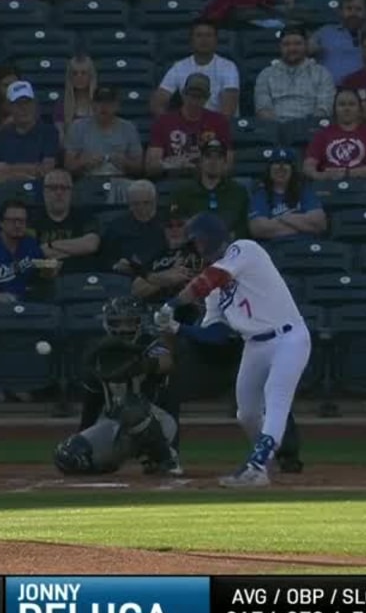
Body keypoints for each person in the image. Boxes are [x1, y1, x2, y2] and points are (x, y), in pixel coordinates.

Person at [156, 212, 312, 487]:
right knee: (247, 414)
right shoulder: (216, 293)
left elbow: (210, 278)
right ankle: (262, 459)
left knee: (275, 401)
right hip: (255, 345)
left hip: (289, 338)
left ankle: (256, 466)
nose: (197, 250)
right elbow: (216, 334)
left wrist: (172, 304)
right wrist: (177, 328)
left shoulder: (244, 249)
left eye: (198, 243)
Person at [54, 296, 183, 476]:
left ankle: (165, 459)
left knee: (131, 408)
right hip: (115, 423)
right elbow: (91, 405)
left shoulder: (151, 343)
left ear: (139, 322)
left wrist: (138, 365)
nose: (124, 328)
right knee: (68, 456)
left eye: (130, 322)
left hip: (158, 422)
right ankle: (113, 461)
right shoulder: (99, 351)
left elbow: (167, 362)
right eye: (118, 323)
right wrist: (84, 440)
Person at [0, 198, 55, 308]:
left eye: (21, 221)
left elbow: (46, 269)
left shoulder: (30, 245)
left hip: (25, 306)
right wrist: (1, 298)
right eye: (12, 221)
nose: (17, 225)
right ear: (1, 223)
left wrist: (51, 268)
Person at [152, 20, 241, 117]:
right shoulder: (179, 67)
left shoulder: (228, 67)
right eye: (199, 35)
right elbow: (159, 100)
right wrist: (169, 123)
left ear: (216, 40)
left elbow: (229, 107)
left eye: (209, 35)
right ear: (191, 41)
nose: (204, 40)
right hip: (188, 124)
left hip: (218, 124)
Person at [171, 138, 251, 239]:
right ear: (201, 161)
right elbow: (176, 225)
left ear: (225, 163)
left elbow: (243, 227)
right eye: (208, 157)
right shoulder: (183, 193)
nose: (213, 162)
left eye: (218, 157)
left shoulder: (238, 192)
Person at [254, 25, 336, 123]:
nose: (292, 48)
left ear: (305, 45)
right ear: (280, 47)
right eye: (286, 44)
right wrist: (282, 129)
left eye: (297, 44)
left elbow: (324, 108)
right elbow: (263, 109)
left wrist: (305, 127)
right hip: (276, 130)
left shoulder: (322, 73)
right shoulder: (266, 74)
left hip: (310, 129)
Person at [0, 80, 61, 184]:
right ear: (9, 107)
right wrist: (32, 169)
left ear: (35, 104)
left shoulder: (49, 133)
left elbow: (47, 170)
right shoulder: (0, 137)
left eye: (27, 102)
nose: (24, 108)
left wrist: (7, 169)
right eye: (18, 104)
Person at [304, 89, 366, 181]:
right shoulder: (322, 134)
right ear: (334, 109)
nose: (346, 108)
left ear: (360, 109)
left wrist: (346, 173)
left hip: (361, 185)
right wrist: (322, 176)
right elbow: (308, 166)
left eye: (351, 104)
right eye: (342, 104)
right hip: (328, 184)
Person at [65, 85, 143, 182]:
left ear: (117, 106)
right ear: (92, 105)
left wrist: (125, 162)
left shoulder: (128, 127)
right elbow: (68, 165)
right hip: (87, 180)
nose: (103, 107)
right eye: (99, 102)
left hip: (120, 179)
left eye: (109, 103)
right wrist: (84, 162)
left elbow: (139, 168)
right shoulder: (78, 127)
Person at [30, 168, 102, 273]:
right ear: (44, 192)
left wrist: (51, 245)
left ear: (71, 192)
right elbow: (32, 255)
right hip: (44, 276)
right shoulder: (32, 218)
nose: (59, 192)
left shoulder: (85, 216)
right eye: (53, 188)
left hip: (79, 276)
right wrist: (76, 251)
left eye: (64, 188)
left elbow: (91, 245)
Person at [249, 147, 327, 240]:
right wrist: (303, 226)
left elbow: (319, 223)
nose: (281, 168)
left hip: (305, 248)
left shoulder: (305, 192)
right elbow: (258, 229)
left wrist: (282, 218)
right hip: (274, 249)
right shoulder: (261, 195)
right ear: (269, 169)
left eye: (286, 164)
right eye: (277, 163)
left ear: (292, 170)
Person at [131, 203, 198, 300]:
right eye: (169, 226)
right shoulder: (154, 254)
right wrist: (170, 274)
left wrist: (156, 278)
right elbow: (136, 289)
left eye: (180, 225)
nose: (174, 230)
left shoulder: (199, 252)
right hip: (154, 307)